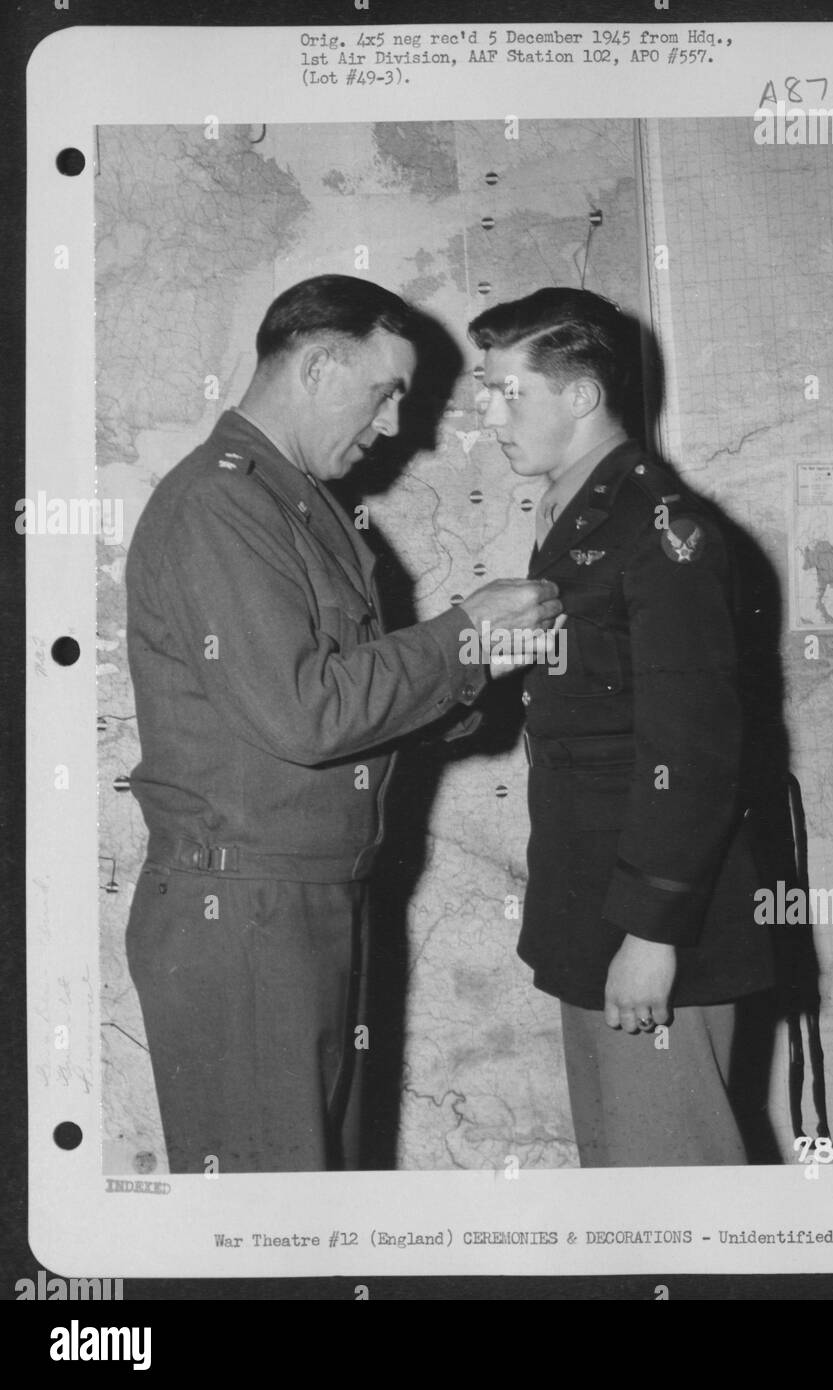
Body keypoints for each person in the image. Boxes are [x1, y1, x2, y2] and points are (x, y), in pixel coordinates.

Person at [124, 275, 560, 1173]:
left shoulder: (293, 501)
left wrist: (472, 670)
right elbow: (305, 712)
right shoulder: (221, 504)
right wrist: (463, 634)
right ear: (320, 365)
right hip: (245, 912)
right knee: (271, 1220)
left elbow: (339, 694)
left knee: (327, 1202)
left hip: (308, 900)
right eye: (386, 391)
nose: (397, 425)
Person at [469, 288, 774, 1167]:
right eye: (485, 391)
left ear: (580, 396)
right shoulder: (577, 517)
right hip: (593, 904)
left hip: (653, 926)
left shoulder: (663, 531)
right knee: (621, 1182)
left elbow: (695, 749)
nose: (487, 414)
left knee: (676, 1189)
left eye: (506, 390)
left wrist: (652, 935)